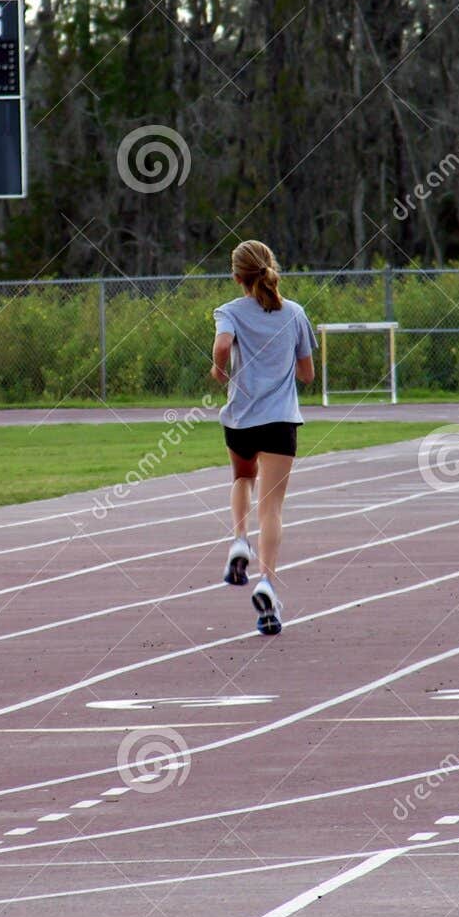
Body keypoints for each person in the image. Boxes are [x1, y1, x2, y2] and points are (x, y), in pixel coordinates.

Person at [209, 240, 316, 635]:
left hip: (240, 419)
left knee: (241, 478)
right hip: (280, 421)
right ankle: (267, 582)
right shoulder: (295, 313)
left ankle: (239, 540)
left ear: (236, 276)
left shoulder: (229, 312)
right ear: (272, 269)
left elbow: (222, 344)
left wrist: (220, 371)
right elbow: (307, 374)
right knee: (272, 509)